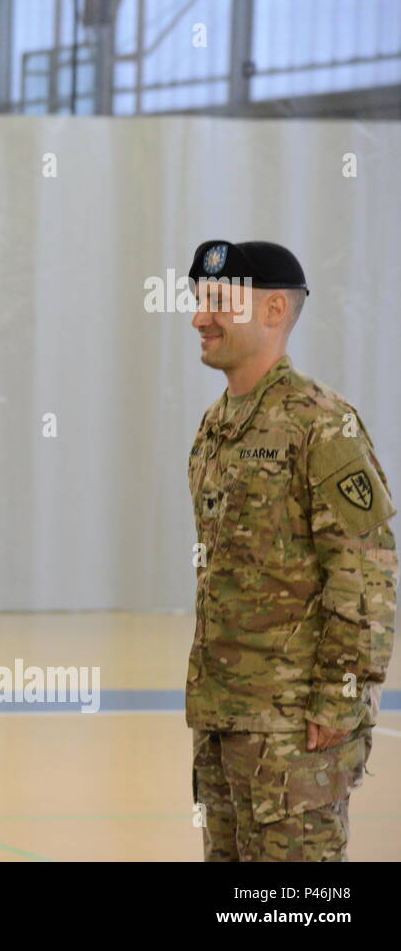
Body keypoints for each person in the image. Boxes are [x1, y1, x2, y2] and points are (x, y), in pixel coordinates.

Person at [186, 238, 396, 861]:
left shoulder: (321, 424)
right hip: (223, 717)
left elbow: (366, 575)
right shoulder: (216, 426)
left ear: (274, 311)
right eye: (199, 299)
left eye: (220, 300)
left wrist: (339, 700)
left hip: (292, 730)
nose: (201, 316)